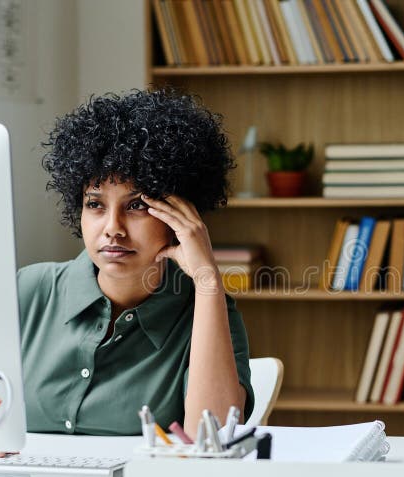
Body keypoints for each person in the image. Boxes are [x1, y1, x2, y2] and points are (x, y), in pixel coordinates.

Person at [15, 88, 253, 440]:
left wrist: (207, 281)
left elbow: (211, 438)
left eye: (137, 206)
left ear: (180, 216)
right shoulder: (27, 291)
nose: (113, 228)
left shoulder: (207, 310)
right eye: (95, 204)